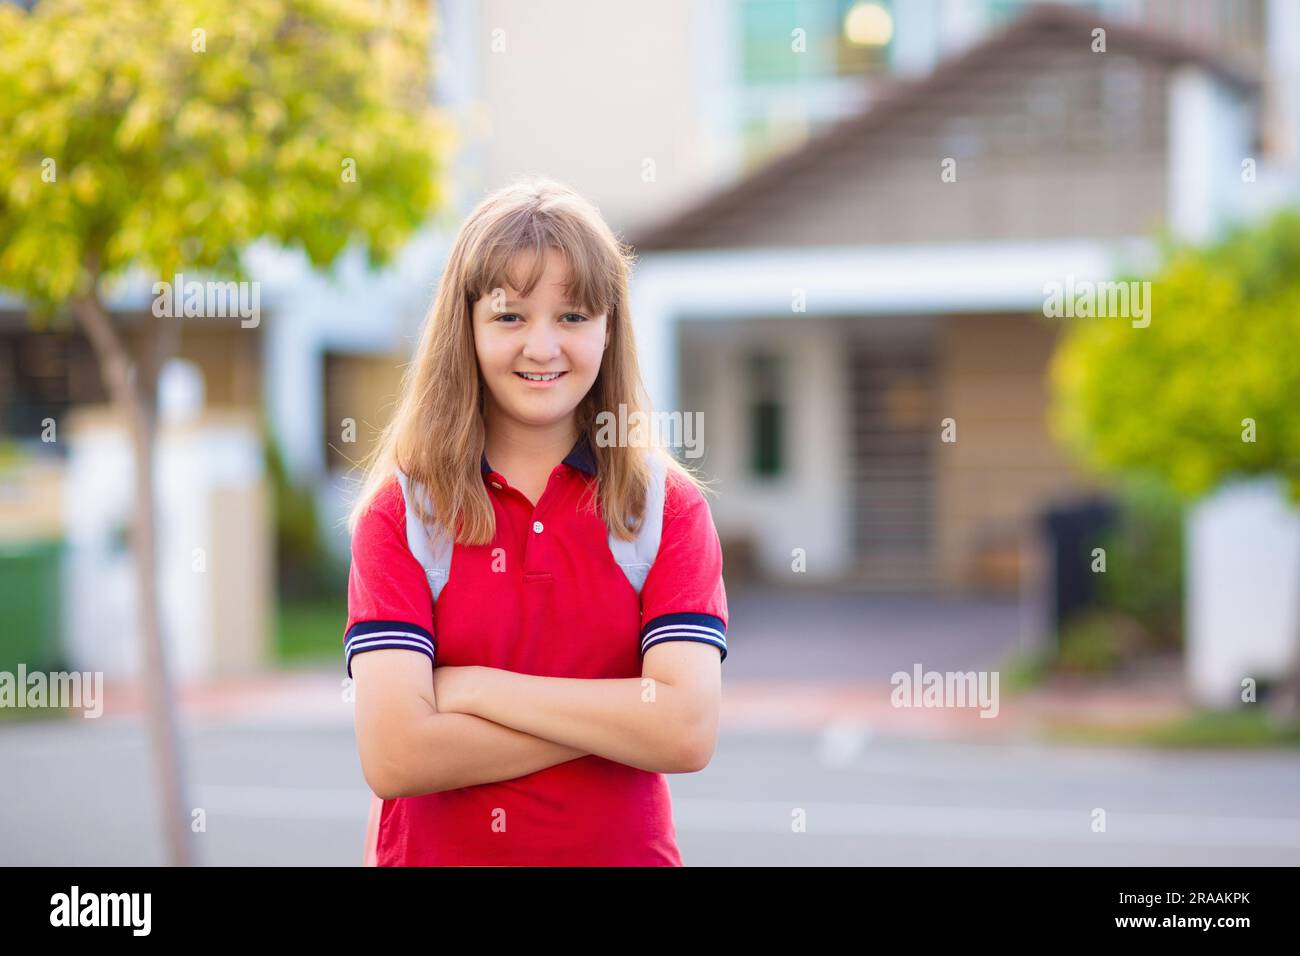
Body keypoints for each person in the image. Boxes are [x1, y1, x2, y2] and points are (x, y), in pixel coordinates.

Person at [343, 177, 729, 866]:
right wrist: (626, 722)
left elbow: (687, 732)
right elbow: (396, 755)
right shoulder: (402, 511)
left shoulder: (666, 507)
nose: (543, 347)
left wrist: (474, 691)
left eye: (573, 316)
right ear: (466, 327)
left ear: (610, 328)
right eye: (510, 316)